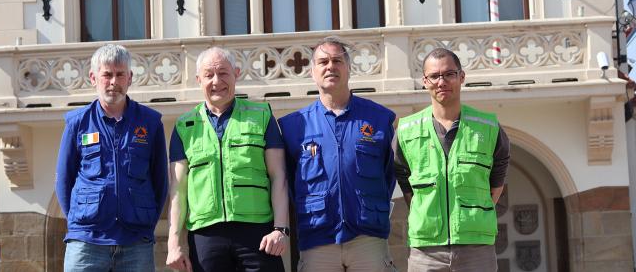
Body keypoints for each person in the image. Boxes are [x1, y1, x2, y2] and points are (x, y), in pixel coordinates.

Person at [279, 36, 397, 272]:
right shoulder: (293, 126)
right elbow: (289, 182)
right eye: (323, 62)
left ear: (349, 69)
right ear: (313, 72)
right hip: (317, 241)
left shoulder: (380, 119)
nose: (330, 66)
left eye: (337, 60)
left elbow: (389, 174)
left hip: (368, 239)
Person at [166, 46, 288, 272]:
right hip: (205, 235)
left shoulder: (262, 116)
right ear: (198, 80)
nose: (216, 81)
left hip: (258, 233)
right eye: (209, 75)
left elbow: (279, 176)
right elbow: (178, 189)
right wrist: (174, 243)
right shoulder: (184, 126)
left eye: (223, 73)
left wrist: (281, 230)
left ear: (236, 74)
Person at [395, 47, 510, 272]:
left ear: (462, 77)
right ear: (424, 81)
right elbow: (403, 178)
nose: (442, 82)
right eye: (434, 76)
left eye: (449, 74)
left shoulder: (488, 127)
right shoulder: (406, 130)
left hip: (476, 248)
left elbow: (497, 180)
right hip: (426, 250)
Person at [55, 44, 168, 271]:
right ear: (93, 77)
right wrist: (80, 220)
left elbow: (160, 182)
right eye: (107, 74)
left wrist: (145, 224)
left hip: (136, 242)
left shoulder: (150, 122)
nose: (113, 82)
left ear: (130, 78)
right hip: (86, 242)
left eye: (120, 75)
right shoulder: (77, 123)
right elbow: (63, 180)